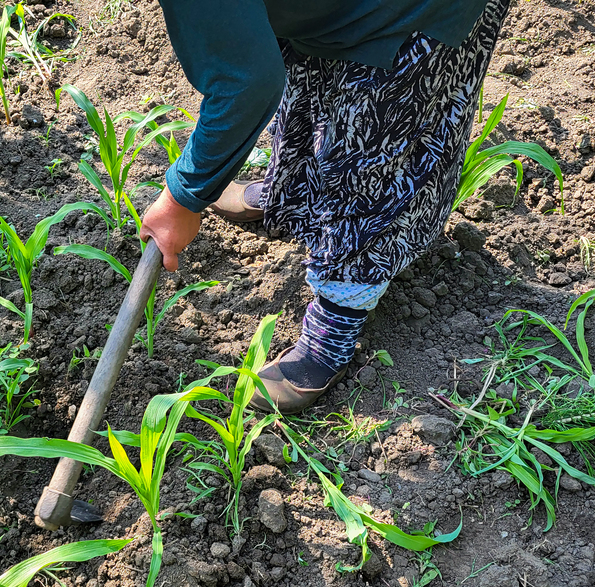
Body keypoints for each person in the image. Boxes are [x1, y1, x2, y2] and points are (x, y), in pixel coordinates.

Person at [138, 0, 512, 413]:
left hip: (414, 12)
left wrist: (183, 199)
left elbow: (244, 83)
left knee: (370, 158)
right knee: (319, 78)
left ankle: (332, 332)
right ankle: (292, 193)